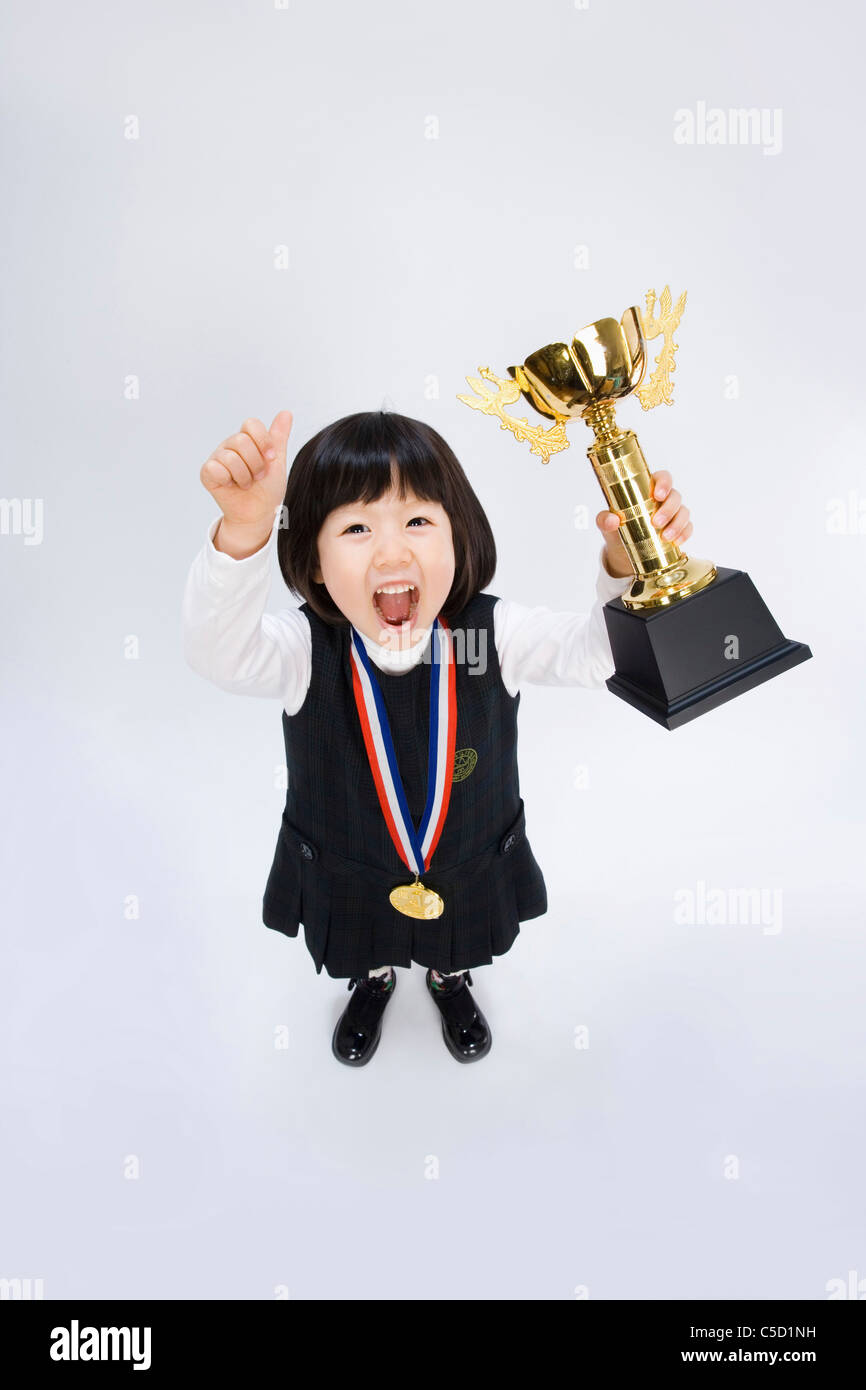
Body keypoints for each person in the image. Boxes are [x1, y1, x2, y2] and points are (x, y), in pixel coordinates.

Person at [182, 409, 694, 1067]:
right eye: (357, 527)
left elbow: (601, 657)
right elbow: (214, 654)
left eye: (418, 521)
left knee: (453, 938)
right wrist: (244, 534)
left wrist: (628, 558)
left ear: (459, 536)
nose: (393, 552)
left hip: (466, 862)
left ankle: (449, 978)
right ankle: (372, 980)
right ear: (313, 559)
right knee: (363, 942)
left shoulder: (493, 635)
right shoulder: (304, 649)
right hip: (348, 868)